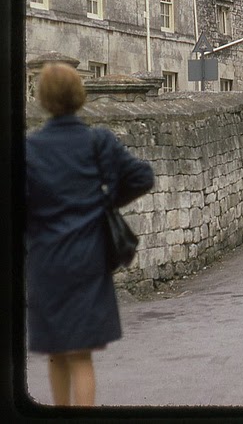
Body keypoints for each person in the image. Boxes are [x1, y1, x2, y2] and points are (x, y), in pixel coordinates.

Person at [24, 62, 155, 406]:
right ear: (80, 95)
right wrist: (105, 203)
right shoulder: (97, 141)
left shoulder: (30, 149)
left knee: (56, 351)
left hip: (46, 259)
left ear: (43, 99)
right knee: (81, 356)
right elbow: (143, 177)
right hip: (89, 255)